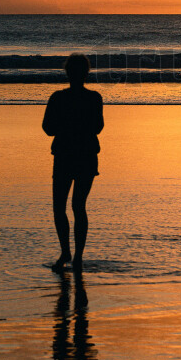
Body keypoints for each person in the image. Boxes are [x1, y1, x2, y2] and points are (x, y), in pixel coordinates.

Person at [43, 53, 104, 272]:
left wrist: (65, 128)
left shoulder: (58, 98)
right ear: (86, 73)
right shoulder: (94, 98)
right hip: (86, 155)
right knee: (79, 206)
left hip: (66, 155)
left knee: (60, 207)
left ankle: (67, 252)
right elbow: (97, 127)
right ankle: (76, 256)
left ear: (67, 72)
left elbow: (47, 128)